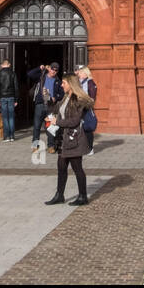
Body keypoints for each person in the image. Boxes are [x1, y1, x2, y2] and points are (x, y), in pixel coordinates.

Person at [44, 74, 93, 206]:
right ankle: (59, 195)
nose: (61, 85)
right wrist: (48, 99)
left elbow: (75, 121)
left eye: (64, 83)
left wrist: (57, 121)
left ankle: (83, 196)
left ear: (71, 84)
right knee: (61, 167)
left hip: (74, 139)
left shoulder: (77, 100)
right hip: (63, 139)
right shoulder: (66, 97)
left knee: (77, 168)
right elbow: (55, 109)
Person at [27, 61, 63, 147]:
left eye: (56, 70)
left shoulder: (58, 81)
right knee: (37, 126)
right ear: (49, 68)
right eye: (52, 69)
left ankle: (51, 146)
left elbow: (62, 94)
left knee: (50, 126)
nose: (53, 71)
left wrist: (56, 98)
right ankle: (35, 145)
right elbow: (30, 74)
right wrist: (39, 68)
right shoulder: (41, 76)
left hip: (51, 106)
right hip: (40, 104)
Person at [0, 58, 18, 141]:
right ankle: (12, 136)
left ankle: (6, 136)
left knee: (5, 117)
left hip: (2, 97)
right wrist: (16, 99)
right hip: (11, 97)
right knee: (11, 117)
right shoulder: (13, 73)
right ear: (9, 64)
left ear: (2, 65)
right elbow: (16, 87)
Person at [76, 64, 98, 155]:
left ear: (85, 73)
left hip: (86, 109)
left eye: (80, 72)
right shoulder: (80, 82)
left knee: (88, 129)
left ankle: (90, 148)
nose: (79, 74)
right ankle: (82, 147)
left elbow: (92, 98)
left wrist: (85, 104)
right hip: (79, 108)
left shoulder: (90, 83)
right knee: (80, 129)